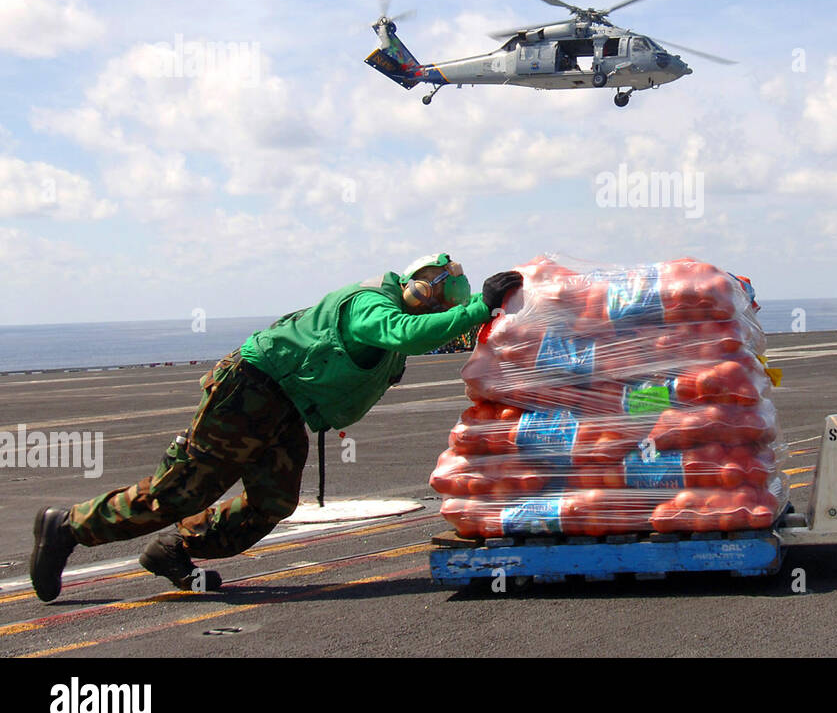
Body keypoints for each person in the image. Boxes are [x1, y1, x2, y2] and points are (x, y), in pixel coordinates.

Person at [29, 255, 523, 601]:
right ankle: (67, 527)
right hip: (252, 388)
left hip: (286, 405)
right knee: (183, 490)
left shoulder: (396, 319)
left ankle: (175, 548)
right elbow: (407, 333)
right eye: (434, 294)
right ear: (421, 285)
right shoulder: (374, 306)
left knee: (274, 502)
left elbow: (420, 336)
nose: (430, 302)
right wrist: (479, 307)